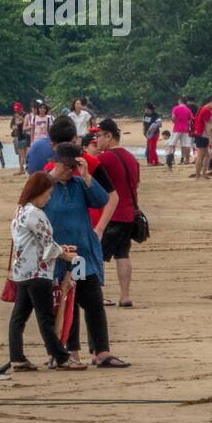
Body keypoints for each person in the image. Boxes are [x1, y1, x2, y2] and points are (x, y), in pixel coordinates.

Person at [43, 143, 129, 367]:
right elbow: (27, 205)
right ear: (57, 162)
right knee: (66, 300)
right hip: (58, 256)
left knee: (92, 300)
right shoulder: (44, 183)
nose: (70, 169)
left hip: (81, 255)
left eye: (74, 165)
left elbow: (102, 200)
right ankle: (70, 351)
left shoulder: (80, 184)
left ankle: (101, 351)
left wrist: (87, 176)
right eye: (67, 165)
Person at [7, 172, 85, 370]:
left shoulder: (19, 211)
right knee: (45, 318)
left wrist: (59, 249)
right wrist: (65, 254)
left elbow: (39, 242)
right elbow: (47, 245)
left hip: (21, 271)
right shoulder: (35, 213)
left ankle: (17, 357)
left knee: (19, 317)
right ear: (39, 192)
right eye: (48, 194)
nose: (49, 198)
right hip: (37, 272)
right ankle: (61, 357)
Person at [96, 118, 140, 308]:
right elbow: (136, 184)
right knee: (122, 254)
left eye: (99, 136)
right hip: (129, 213)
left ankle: (96, 294)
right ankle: (125, 295)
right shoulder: (131, 158)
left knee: (98, 255)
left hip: (111, 214)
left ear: (109, 136)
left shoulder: (104, 158)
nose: (97, 140)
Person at [193, 96, 212, 179]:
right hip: (202, 135)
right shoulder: (207, 110)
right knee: (201, 156)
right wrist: (210, 139)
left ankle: (203, 174)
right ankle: (198, 175)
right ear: (210, 102)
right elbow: (207, 126)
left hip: (199, 134)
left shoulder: (202, 108)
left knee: (207, 156)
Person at [167, 96, 193, 165]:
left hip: (177, 128)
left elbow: (173, 118)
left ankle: (171, 159)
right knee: (185, 145)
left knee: (172, 144)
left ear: (180, 101)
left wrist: (175, 122)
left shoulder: (175, 108)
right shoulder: (188, 110)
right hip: (186, 129)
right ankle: (185, 159)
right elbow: (190, 120)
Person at [10, 102, 29, 174]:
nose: (17, 111)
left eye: (18, 109)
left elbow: (28, 123)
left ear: (21, 108)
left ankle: (22, 169)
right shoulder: (15, 115)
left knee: (24, 154)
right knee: (20, 154)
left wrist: (21, 118)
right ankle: (22, 168)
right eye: (16, 109)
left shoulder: (26, 115)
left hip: (24, 136)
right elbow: (12, 125)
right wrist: (14, 127)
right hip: (17, 136)